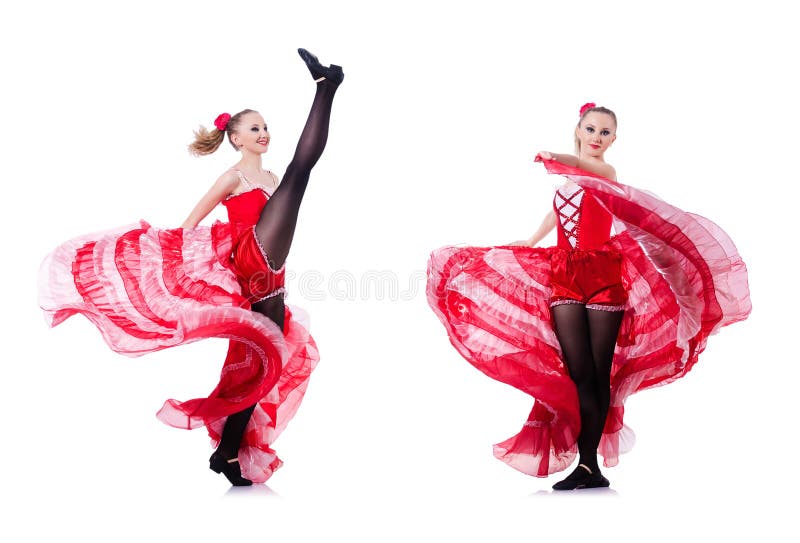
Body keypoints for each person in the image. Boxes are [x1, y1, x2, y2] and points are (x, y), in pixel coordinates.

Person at [39, 48, 343, 486]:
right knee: (304, 169)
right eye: (254, 128)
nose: (263, 133)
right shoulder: (233, 178)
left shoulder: (270, 180)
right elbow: (188, 226)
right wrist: (169, 268)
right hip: (251, 256)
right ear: (236, 139)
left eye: (266, 127)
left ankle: (226, 453)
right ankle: (326, 86)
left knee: (265, 366)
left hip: (271, 278)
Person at [426, 103, 751, 490]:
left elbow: (585, 172)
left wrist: (555, 156)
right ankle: (588, 466)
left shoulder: (603, 173)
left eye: (605, 133)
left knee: (598, 374)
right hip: (564, 274)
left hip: (602, 275)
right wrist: (530, 240)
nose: (597, 138)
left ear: (613, 140)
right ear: (579, 130)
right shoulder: (567, 181)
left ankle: (587, 465)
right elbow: (558, 211)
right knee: (577, 372)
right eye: (591, 130)